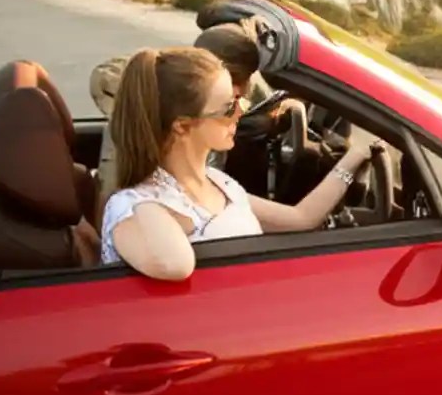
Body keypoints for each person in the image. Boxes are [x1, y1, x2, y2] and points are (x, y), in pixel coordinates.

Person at [101, 46, 371, 281]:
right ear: (182, 127)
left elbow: (301, 218)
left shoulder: (219, 183)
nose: (242, 111)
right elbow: (176, 265)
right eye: (228, 108)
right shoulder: (134, 209)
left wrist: (353, 158)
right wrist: (145, 198)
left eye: (239, 100)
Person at [90, 18, 274, 223]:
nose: (240, 105)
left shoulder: (221, 185)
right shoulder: (141, 202)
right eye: (229, 105)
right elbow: (112, 205)